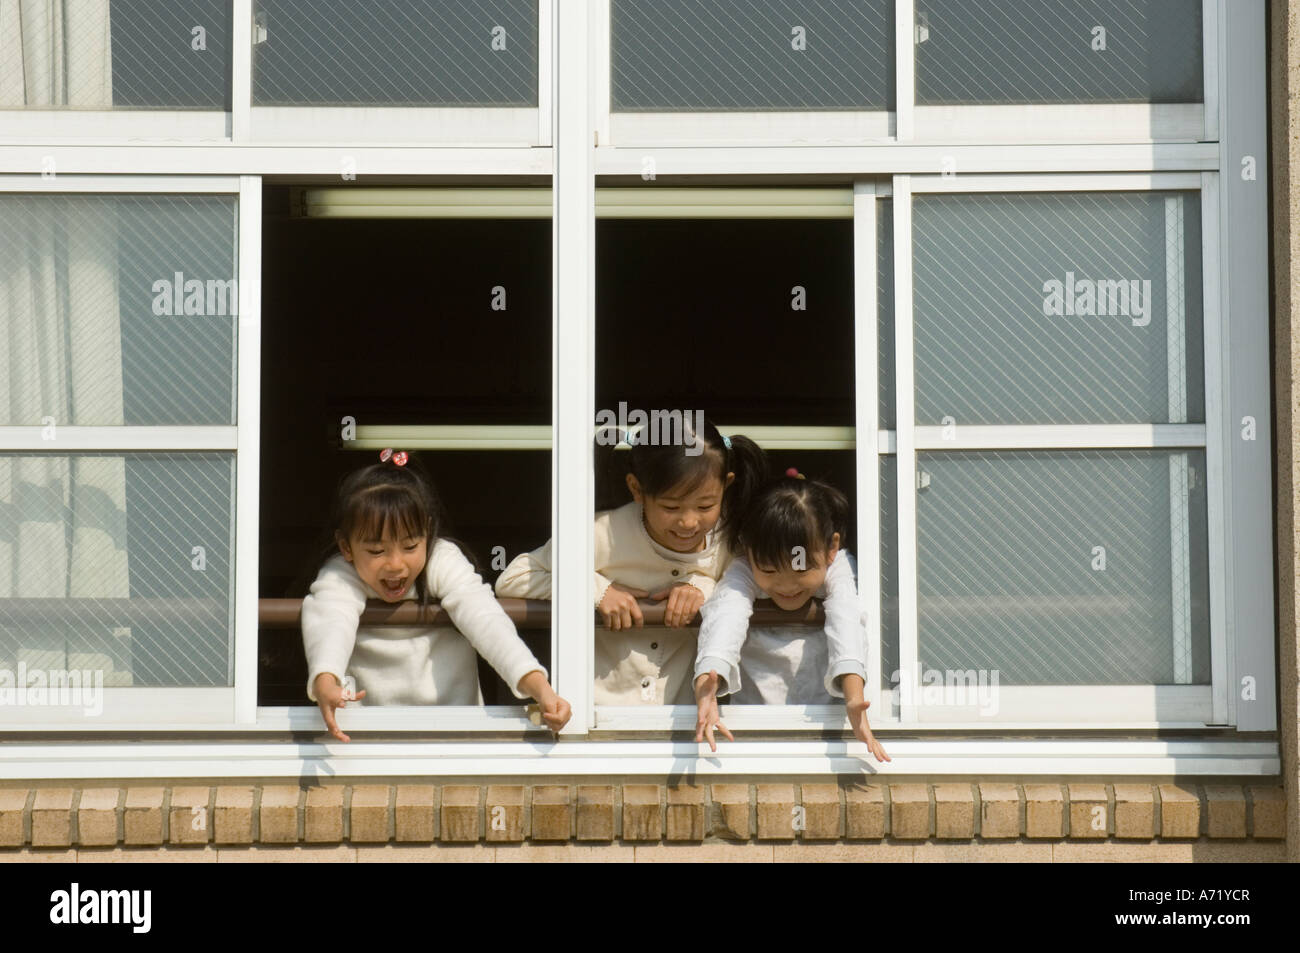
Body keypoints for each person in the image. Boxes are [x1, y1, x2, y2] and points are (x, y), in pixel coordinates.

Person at [301, 448, 571, 741]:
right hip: (371, 735)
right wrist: (325, 681)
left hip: (455, 732)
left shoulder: (442, 559)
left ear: (428, 535)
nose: (395, 564)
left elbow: (485, 619)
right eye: (377, 551)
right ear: (346, 547)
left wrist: (540, 687)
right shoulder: (341, 572)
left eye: (409, 546)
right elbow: (330, 618)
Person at [495, 415, 766, 705]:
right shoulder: (601, 534)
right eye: (671, 506)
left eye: (705, 505)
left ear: (726, 486)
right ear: (637, 489)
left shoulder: (728, 542)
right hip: (595, 713)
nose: (689, 521)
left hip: (681, 718)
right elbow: (512, 578)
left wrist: (705, 590)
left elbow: (759, 587)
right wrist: (597, 592)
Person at [693, 469, 890, 761]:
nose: (785, 585)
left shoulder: (839, 568)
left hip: (826, 727)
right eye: (770, 570)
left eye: (801, 570)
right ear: (749, 551)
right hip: (753, 727)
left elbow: (846, 617)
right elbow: (726, 611)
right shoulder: (744, 567)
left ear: (832, 547)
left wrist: (853, 698)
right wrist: (707, 682)